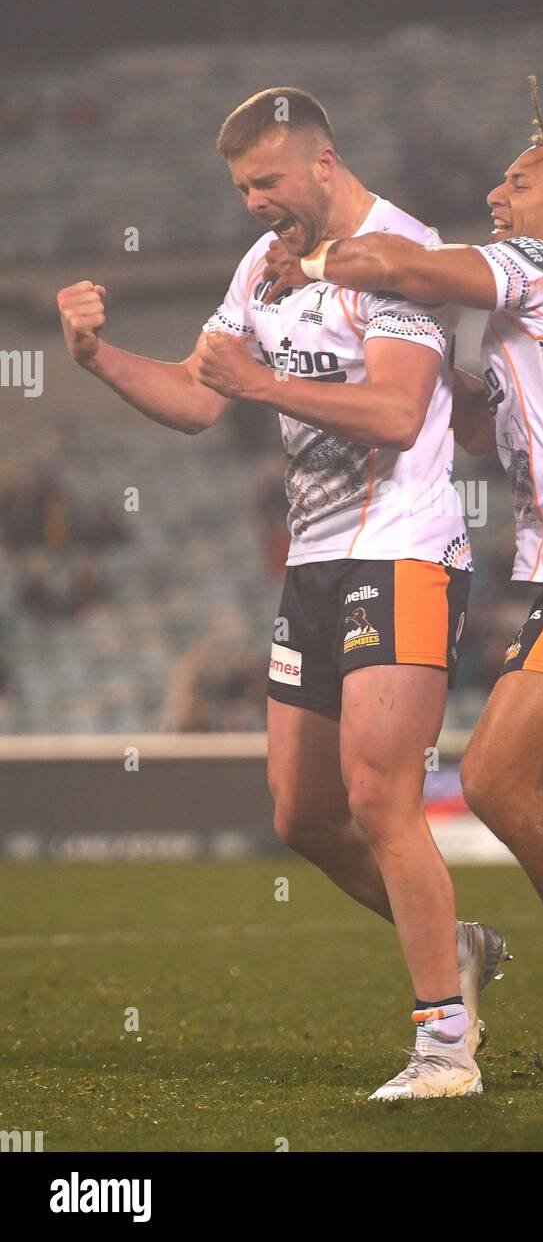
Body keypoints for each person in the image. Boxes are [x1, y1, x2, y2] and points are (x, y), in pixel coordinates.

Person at [56, 88, 507, 1102]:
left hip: (405, 551)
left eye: (266, 181)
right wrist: (96, 358)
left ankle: (446, 1052)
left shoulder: (397, 251)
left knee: (380, 796)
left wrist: (262, 384)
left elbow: (397, 411)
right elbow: (198, 396)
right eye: (242, 187)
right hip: (313, 564)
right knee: (301, 813)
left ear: (321, 162)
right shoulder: (263, 268)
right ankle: (459, 942)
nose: (255, 201)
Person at [262, 84, 543, 1085]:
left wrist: (324, 258)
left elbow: (413, 262)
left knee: (497, 780)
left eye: (524, 178)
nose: (500, 190)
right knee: (516, 787)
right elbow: (475, 420)